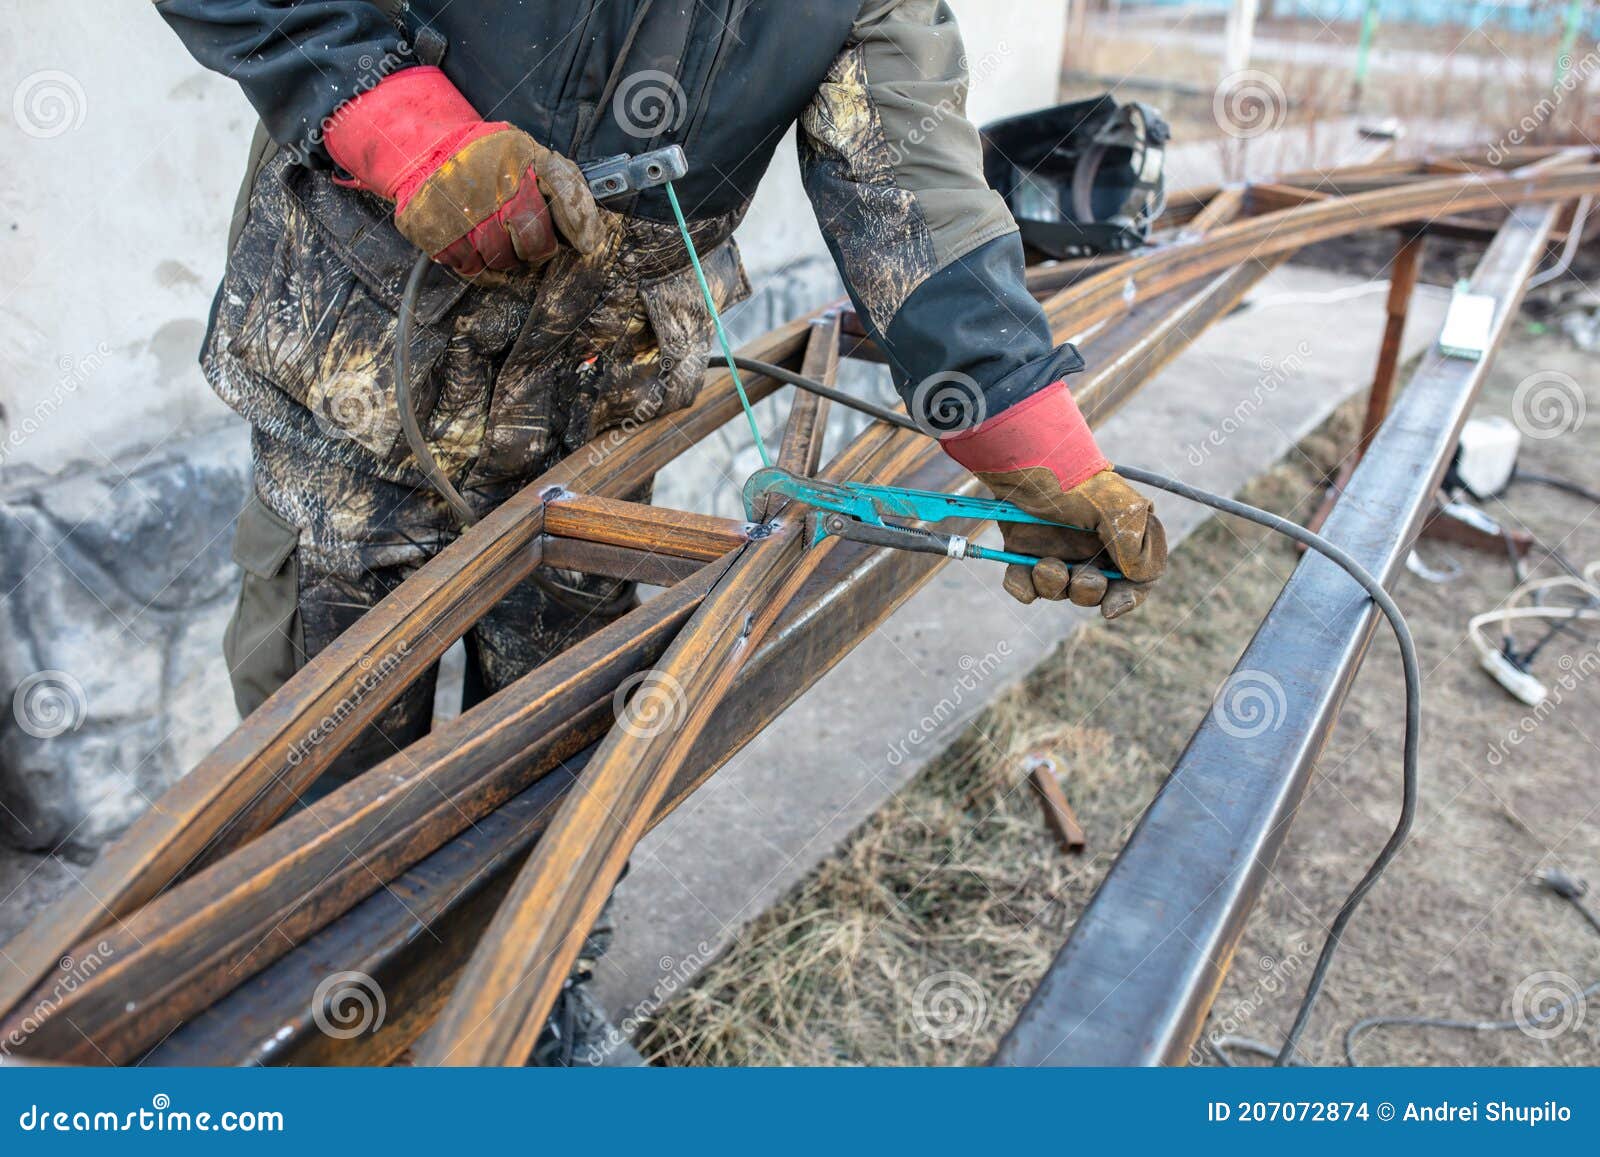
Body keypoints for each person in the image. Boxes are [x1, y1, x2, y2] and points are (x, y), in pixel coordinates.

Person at [158, 0, 1167, 1061]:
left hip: (590, 409)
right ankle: (321, 1048)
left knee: (567, 752)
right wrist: (402, 126)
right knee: (318, 792)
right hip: (355, 374)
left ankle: (534, 1002)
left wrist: (1037, 442)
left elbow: (913, 199)